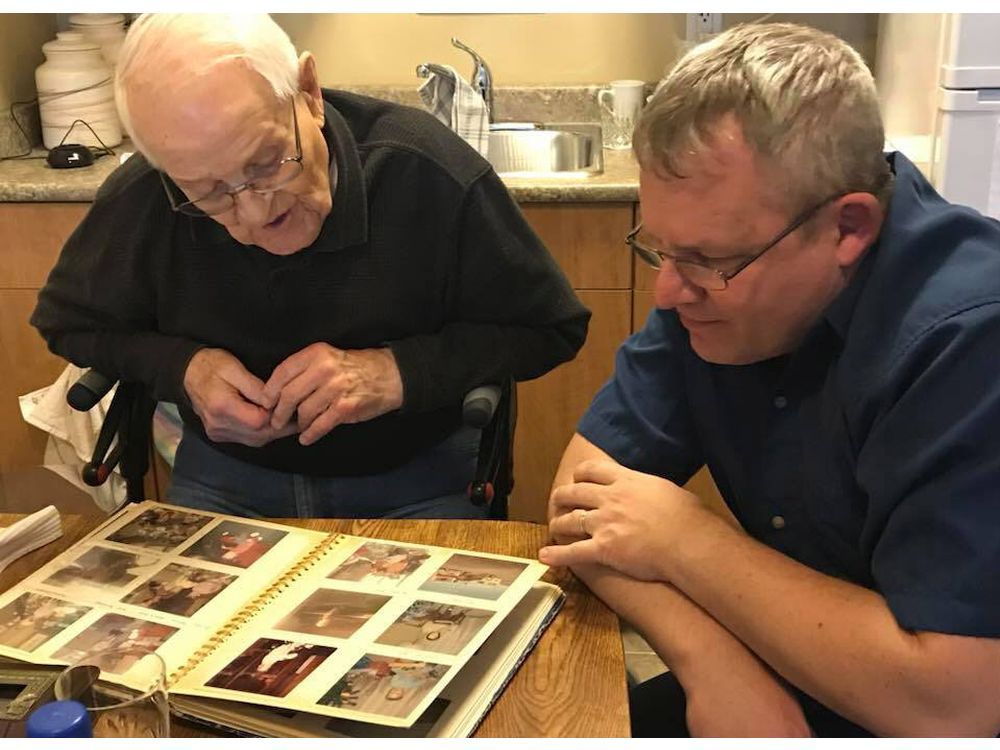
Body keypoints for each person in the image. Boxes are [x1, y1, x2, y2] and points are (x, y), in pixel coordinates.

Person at [540, 22, 1000, 738]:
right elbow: (580, 503)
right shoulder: (719, 276)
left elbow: (954, 707)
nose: (667, 292)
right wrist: (711, 662)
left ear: (848, 228)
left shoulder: (969, 342)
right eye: (659, 250)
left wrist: (687, 540)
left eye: (703, 258)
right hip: (794, 675)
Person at [31, 13, 589, 520]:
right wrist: (183, 368)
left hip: (416, 478)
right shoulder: (148, 196)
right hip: (227, 479)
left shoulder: (427, 173)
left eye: (267, 163)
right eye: (209, 193)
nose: (254, 211)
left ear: (309, 93)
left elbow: (549, 327)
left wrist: (398, 373)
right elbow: (68, 321)